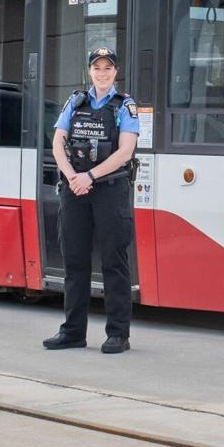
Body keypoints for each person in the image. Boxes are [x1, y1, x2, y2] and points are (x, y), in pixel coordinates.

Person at [43, 47, 141, 354]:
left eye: (108, 68)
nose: (102, 73)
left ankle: (118, 334)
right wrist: (72, 175)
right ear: (90, 71)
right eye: (97, 68)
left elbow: (125, 152)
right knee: (75, 262)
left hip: (110, 190)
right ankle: (72, 332)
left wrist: (90, 176)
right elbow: (58, 141)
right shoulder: (76, 101)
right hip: (75, 190)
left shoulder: (125, 105)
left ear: (115, 72)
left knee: (114, 262)